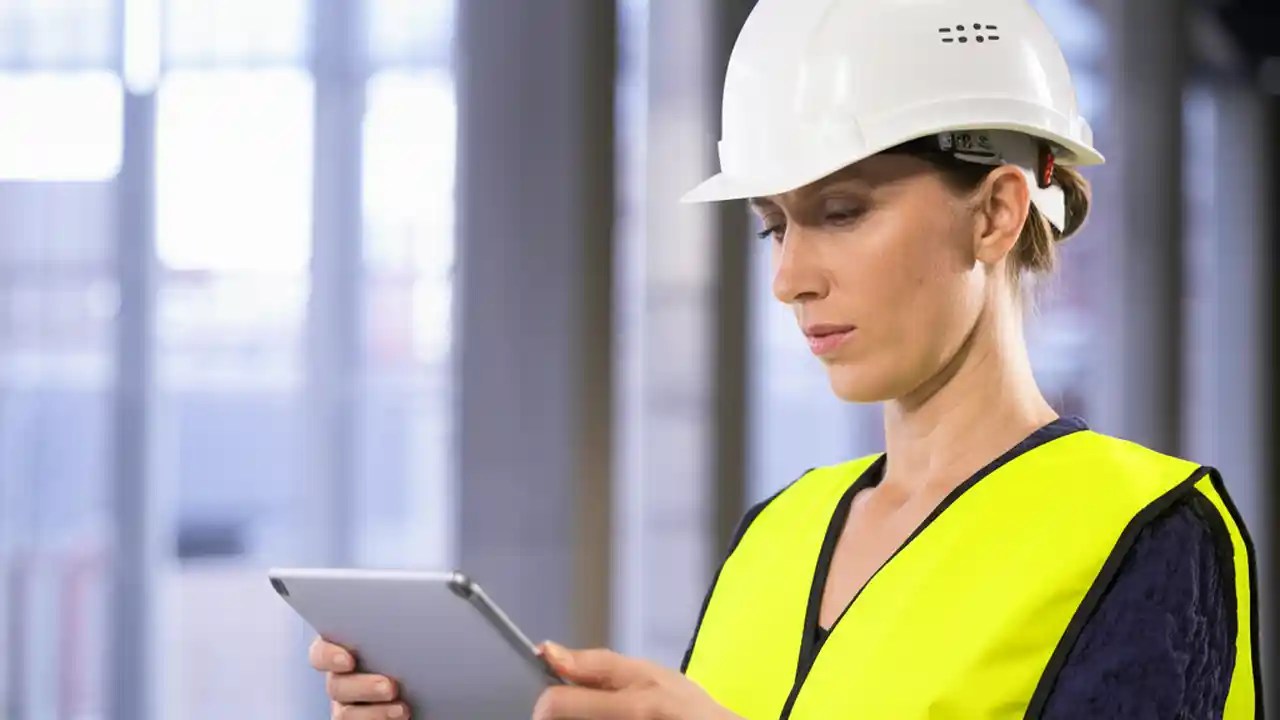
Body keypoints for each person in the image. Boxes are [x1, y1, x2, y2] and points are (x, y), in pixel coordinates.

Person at [309, 0, 1262, 717]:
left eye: (843, 213)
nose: (791, 279)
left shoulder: (1146, 533)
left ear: (997, 212)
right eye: (775, 230)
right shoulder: (779, 532)